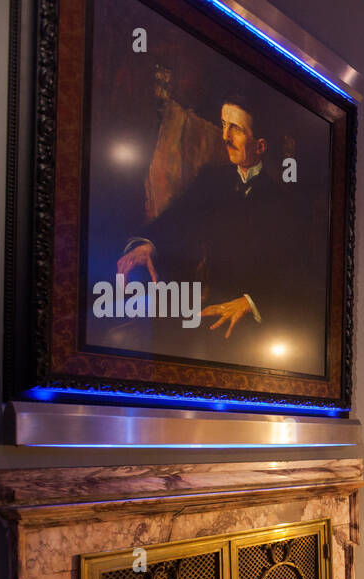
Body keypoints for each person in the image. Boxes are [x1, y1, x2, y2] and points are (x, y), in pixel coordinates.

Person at [115, 92, 323, 373]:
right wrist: (147, 245)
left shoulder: (284, 201)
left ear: (260, 145)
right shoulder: (211, 180)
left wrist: (251, 303)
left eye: (235, 129)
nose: (225, 136)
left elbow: (299, 274)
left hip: (259, 325)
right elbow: (177, 219)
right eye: (223, 124)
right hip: (208, 312)